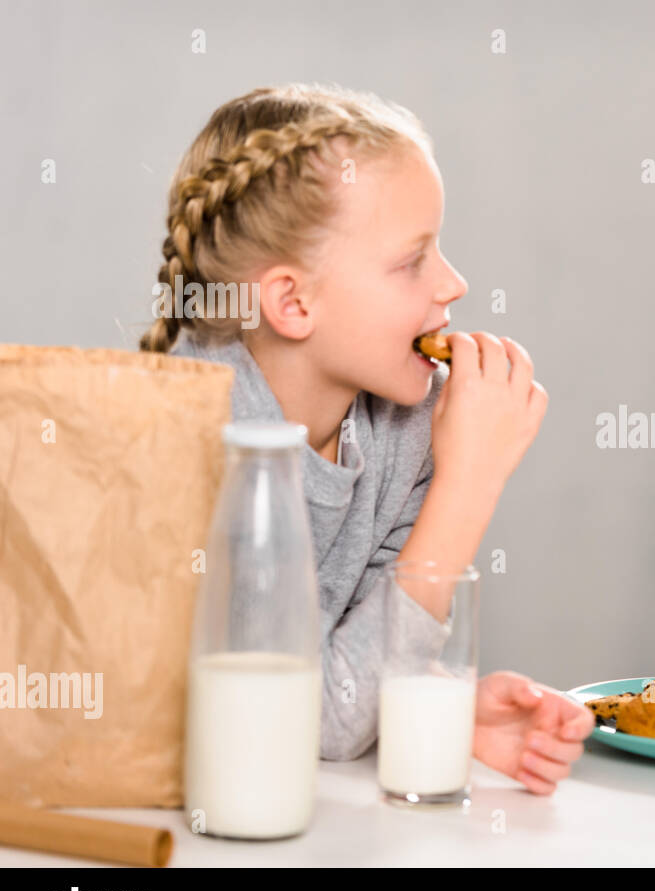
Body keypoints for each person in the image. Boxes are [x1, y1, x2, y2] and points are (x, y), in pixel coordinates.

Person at [140, 82, 593, 792]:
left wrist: (425, 707)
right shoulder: (203, 438)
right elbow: (310, 720)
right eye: (413, 260)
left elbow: (347, 684)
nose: (453, 282)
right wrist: (467, 485)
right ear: (293, 302)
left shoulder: (407, 423)